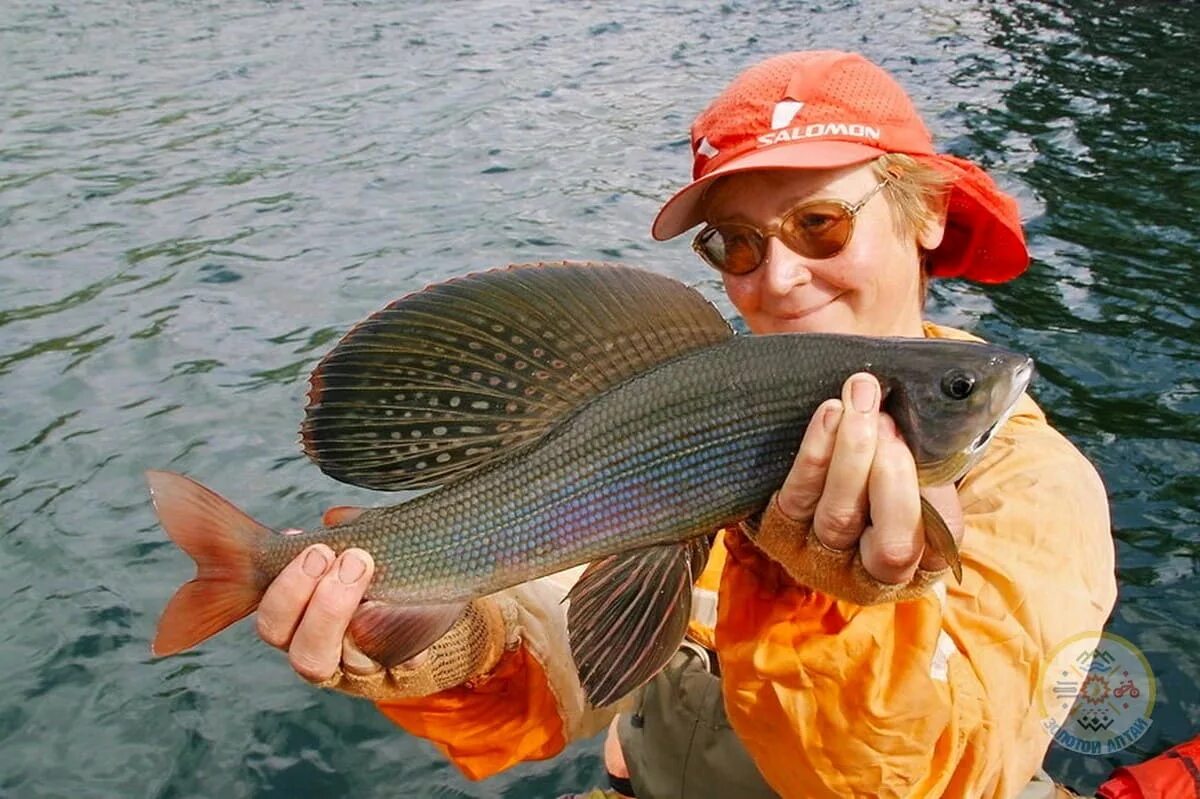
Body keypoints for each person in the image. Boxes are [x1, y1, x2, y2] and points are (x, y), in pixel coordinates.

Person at [253, 51, 1117, 798]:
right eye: (735, 245)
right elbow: (558, 671)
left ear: (926, 212)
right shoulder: (680, 420)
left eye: (820, 224)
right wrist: (440, 642)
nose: (775, 281)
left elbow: (954, 774)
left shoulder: (1038, 490)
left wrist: (820, 598)